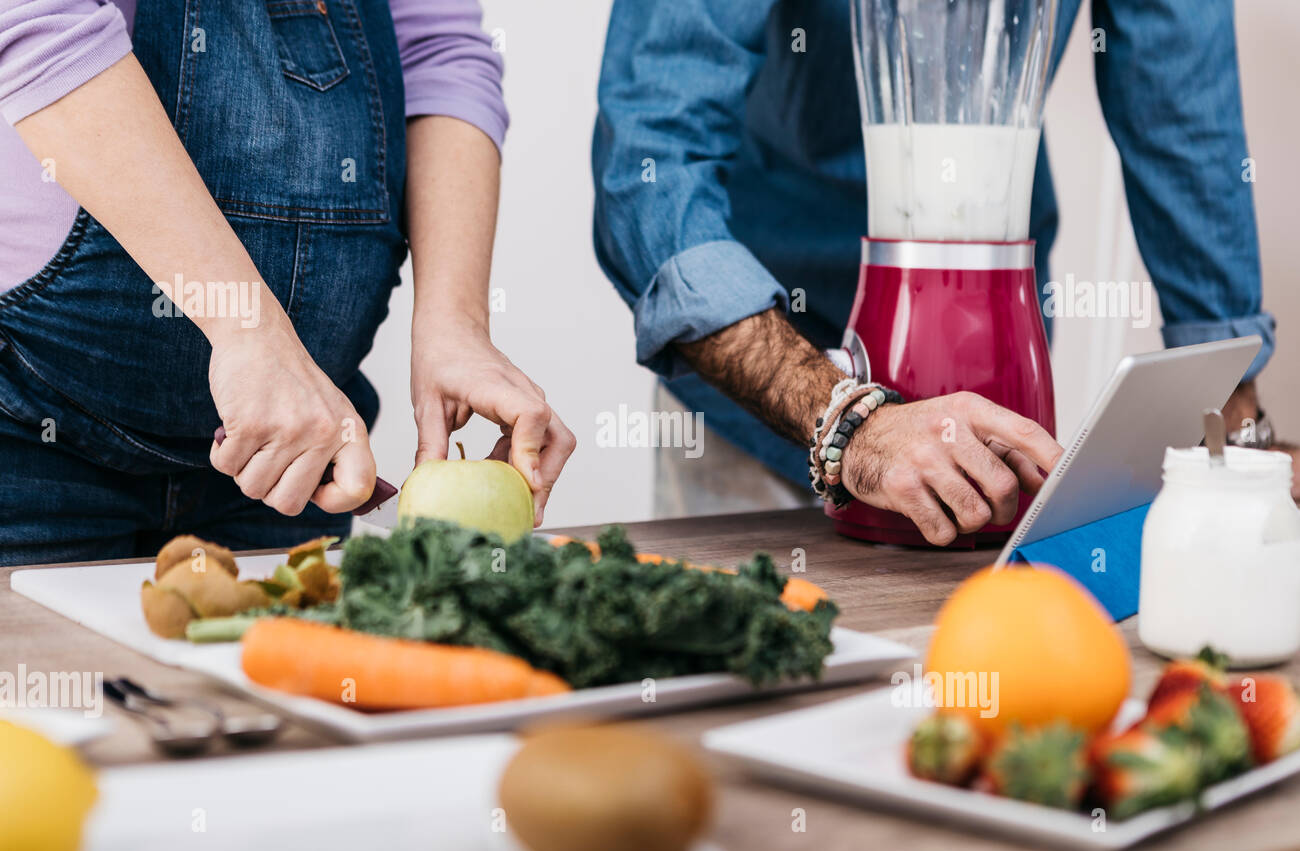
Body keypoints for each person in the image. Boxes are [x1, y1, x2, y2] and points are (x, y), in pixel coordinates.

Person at [592, 0, 1283, 542]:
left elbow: (1182, 110)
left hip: (998, 348)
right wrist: (842, 419)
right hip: (761, 357)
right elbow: (652, 147)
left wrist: (1234, 421)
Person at [0, 0, 574, 566]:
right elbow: (44, 22)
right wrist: (248, 330)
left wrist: (457, 326)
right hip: (37, 443)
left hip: (297, 468)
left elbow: (439, 52)